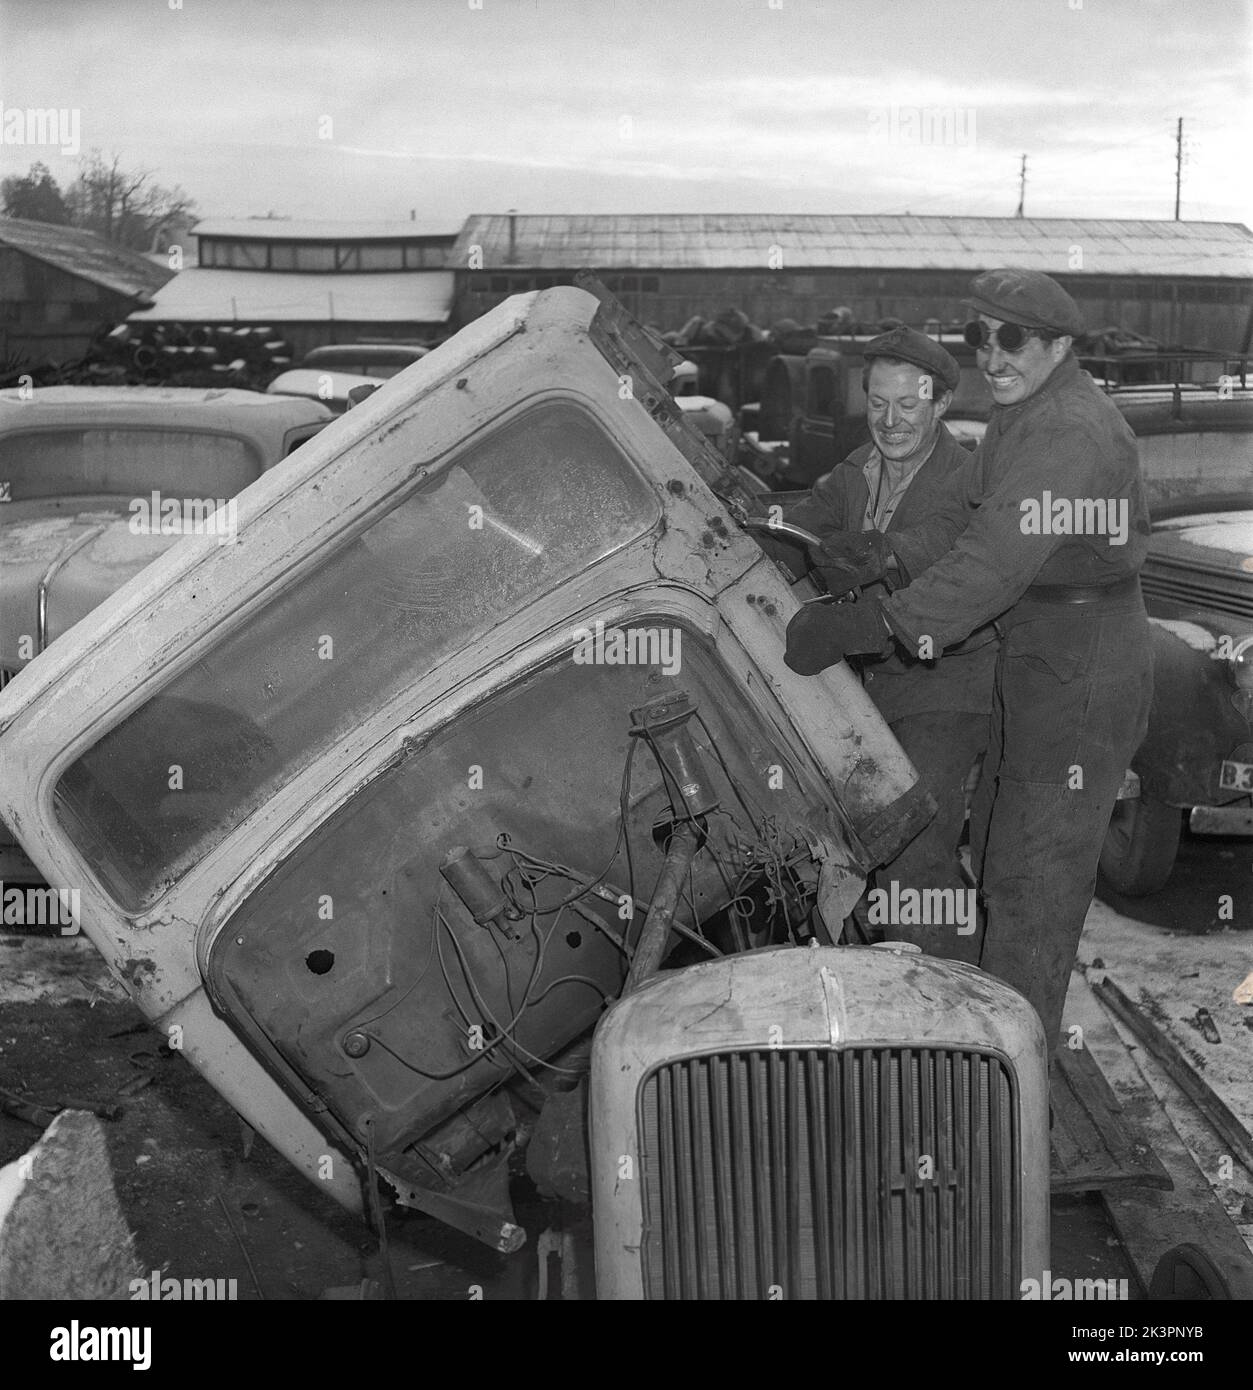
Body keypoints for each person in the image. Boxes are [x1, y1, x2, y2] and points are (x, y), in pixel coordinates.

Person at [784, 269, 1153, 1054]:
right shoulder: (1021, 416)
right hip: (1035, 659)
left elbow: (990, 560)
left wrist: (877, 623)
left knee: (1032, 884)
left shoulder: (1068, 433)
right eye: (978, 337)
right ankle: (988, 1049)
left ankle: (1015, 1100)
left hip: (1079, 671)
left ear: (1059, 345)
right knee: (992, 855)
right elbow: (961, 515)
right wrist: (886, 554)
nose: (992, 355)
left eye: (1011, 338)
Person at [773, 326, 996, 962]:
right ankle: (882, 970)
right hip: (873, 687)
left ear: (941, 404)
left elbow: (954, 574)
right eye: (877, 402)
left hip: (947, 687)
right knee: (848, 836)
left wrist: (874, 576)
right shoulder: (856, 470)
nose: (890, 420)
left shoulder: (968, 481)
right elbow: (799, 528)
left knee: (913, 842)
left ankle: (954, 1001)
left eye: (908, 405)